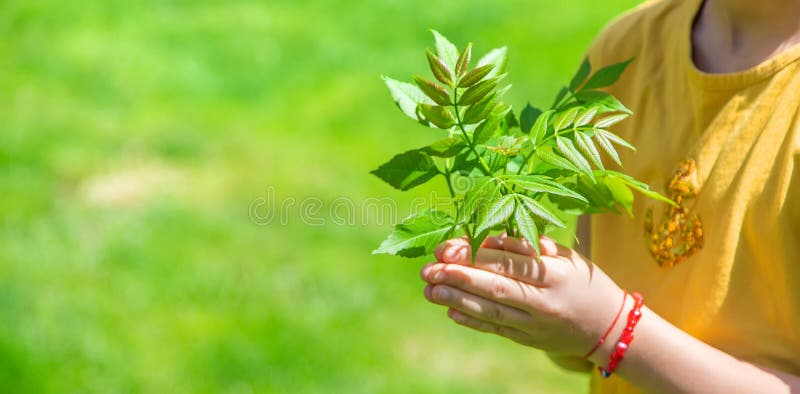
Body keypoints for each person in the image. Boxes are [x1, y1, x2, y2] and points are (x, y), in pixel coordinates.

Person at [420, 0, 800, 392]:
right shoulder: (625, 48)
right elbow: (577, 347)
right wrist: (549, 299)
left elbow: (601, 328)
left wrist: (615, 328)